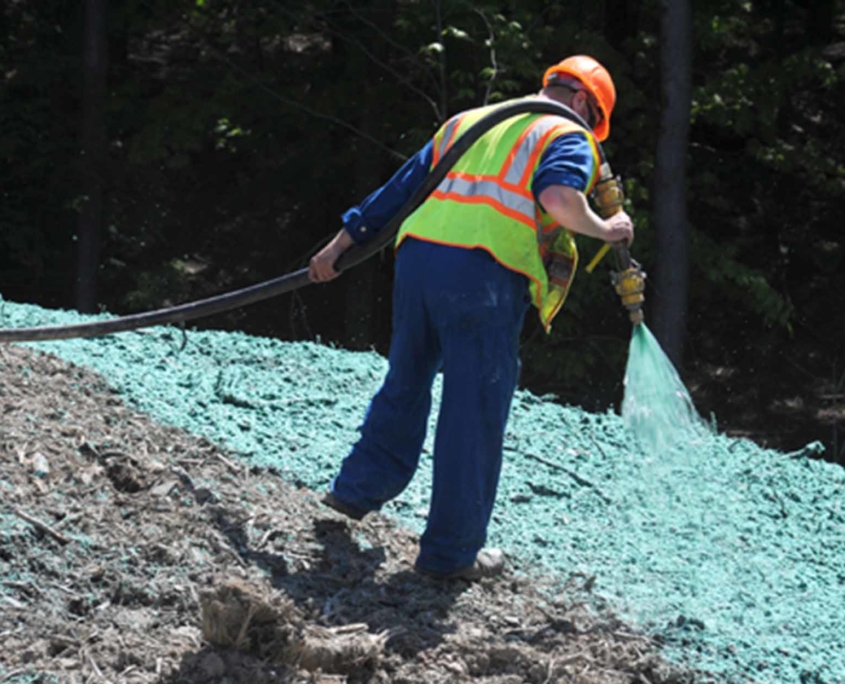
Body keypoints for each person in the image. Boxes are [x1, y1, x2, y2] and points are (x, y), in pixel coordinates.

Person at [308, 55, 634, 580]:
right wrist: (606, 228)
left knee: (406, 380)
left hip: (417, 261)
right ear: (582, 104)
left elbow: (396, 193)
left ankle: (355, 491)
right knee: (473, 409)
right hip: (483, 274)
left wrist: (337, 249)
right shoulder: (567, 134)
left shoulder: (468, 121)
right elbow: (558, 198)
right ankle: (451, 554)